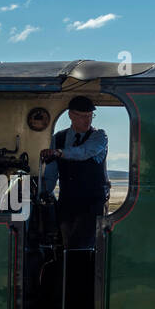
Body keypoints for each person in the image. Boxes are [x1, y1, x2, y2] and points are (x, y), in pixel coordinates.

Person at [40, 95, 108, 249]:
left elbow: (83, 152)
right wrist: (41, 194)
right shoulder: (58, 138)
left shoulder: (99, 136)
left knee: (81, 247)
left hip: (92, 205)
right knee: (65, 246)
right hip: (67, 204)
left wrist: (59, 153)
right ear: (71, 115)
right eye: (83, 116)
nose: (88, 120)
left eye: (90, 116)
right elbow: (51, 174)